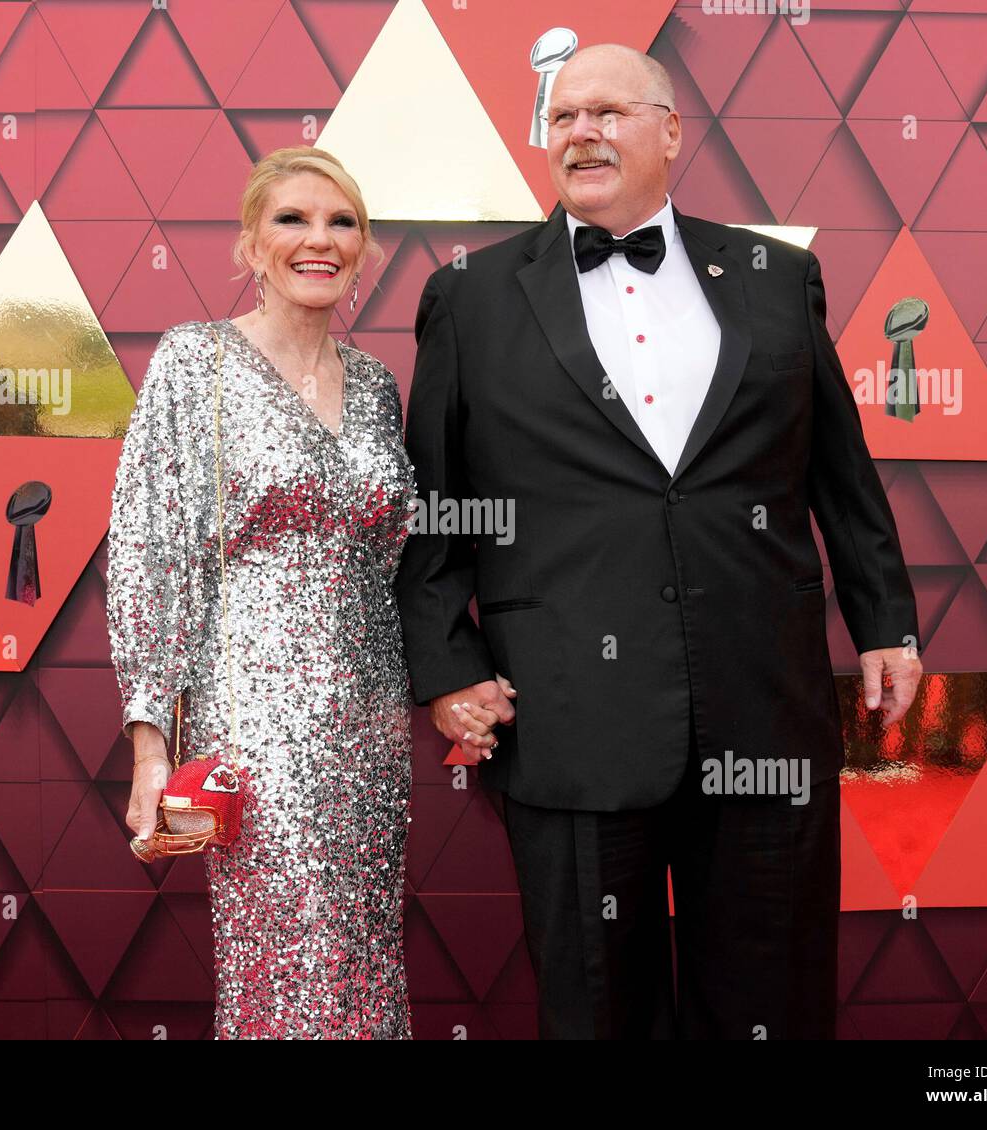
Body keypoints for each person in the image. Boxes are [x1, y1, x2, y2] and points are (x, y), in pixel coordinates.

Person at [395, 44, 923, 1039]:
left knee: (772, 999)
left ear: (671, 132)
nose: (581, 131)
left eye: (607, 111)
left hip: (764, 705)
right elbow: (437, 509)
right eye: (562, 117)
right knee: (597, 1009)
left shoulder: (777, 275)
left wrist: (885, 619)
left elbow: (837, 471)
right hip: (566, 716)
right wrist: (446, 666)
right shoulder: (469, 297)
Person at [107, 146, 416, 1039]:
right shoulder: (194, 363)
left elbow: (388, 554)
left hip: (369, 721)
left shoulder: (377, 386)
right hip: (253, 724)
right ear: (250, 245)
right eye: (292, 219)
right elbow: (151, 557)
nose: (318, 240)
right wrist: (151, 748)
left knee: (362, 955)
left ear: (364, 250)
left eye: (341, 222)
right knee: (281, 959)